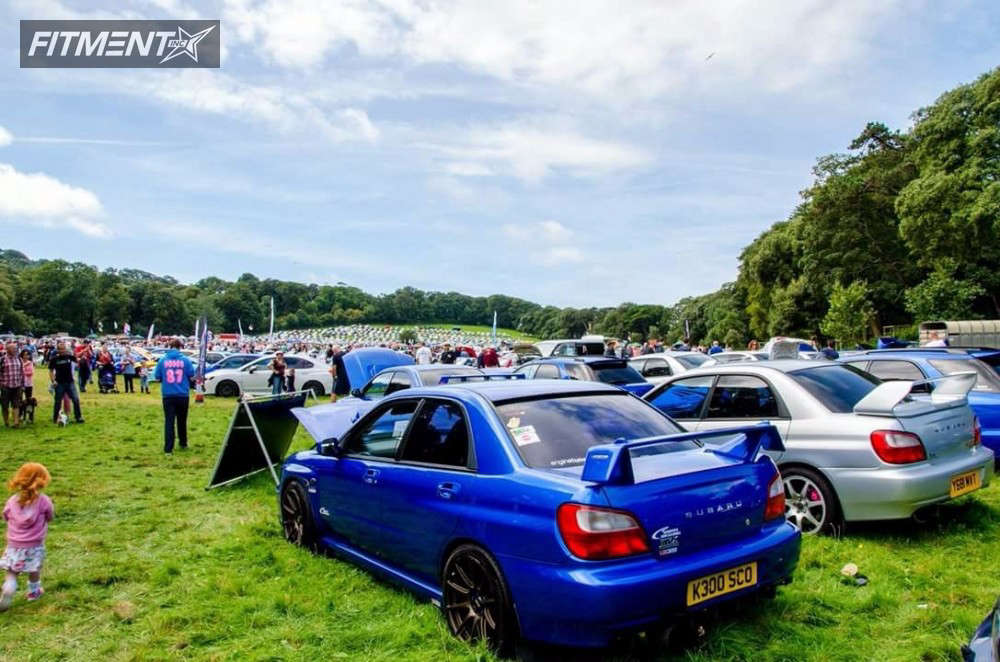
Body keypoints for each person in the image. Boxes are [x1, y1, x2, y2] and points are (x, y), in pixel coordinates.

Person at [0, 463, 53, 611]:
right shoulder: (43, 501)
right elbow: (50, 516)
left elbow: (5, 515)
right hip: (34, 545)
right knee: (34, 569)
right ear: (42, 481)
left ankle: (9, 587)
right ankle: (34, 592)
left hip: (14, 544)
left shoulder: (12, 501)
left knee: (11, 571)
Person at [154, 339, 195, 455]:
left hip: (168, 394)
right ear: (180, 347)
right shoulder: (186, 360)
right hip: (182, 394)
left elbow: (157, 377)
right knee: (182, 420)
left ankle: (168, 449)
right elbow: (191, 376)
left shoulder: (162, 360)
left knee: (169, 421)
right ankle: (183, 442)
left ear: (169, 346)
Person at [48, 342, 82, 424]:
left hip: (70, 382)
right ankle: (55, 418)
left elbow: (77, 360)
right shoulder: (54, 359)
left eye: (64, 349)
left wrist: (80, 359)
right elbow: (51, 371)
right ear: (58, 350)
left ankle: (78, 417)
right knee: (58, 401)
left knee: (76, 399)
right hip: (59, 383)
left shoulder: (69, 357)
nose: (63, 351)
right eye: (61, 349)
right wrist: (53, 381)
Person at [0, 342, 24, 428]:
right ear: (8, 349)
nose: (15, 350)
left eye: (15, 348)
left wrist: (22, 385)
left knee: (16, 405)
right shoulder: (2, 359)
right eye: (13, 348)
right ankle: (6, 422)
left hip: (17, 386)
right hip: (5, 386)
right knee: (5, 406)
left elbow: (22, 373)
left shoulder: (19, 359)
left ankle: (16, 423)